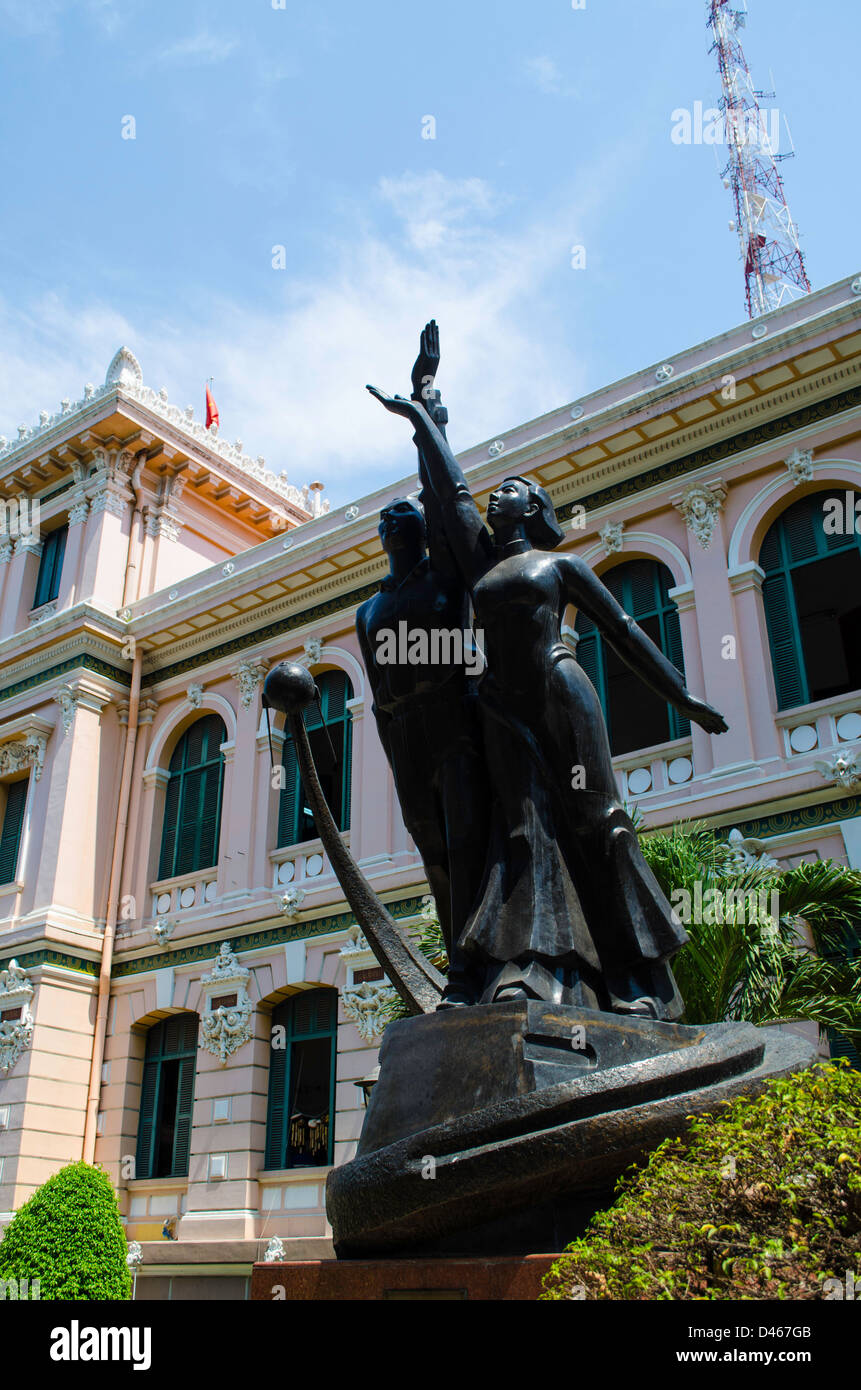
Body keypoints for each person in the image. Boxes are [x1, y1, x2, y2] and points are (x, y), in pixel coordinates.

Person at [367, 336, 728, 1019]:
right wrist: (423, 416)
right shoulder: (481, 563)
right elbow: (449, 492)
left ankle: (638, 980)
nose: (496, 495)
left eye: (511, 490)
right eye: (497, 490)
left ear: (532, 510)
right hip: (502, 708)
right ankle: (541, 971)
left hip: (560, 696)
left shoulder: (557, 569)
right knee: (523, 832)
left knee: (600, 825)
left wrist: (681, 697)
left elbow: (623, 633)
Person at [356, 327, 490, 1006]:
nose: (395, 523)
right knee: (434, 852)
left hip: (455, 717)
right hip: (405, 733)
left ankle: (478, 967)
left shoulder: (447, 575)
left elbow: (445, 493)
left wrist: (423, 404)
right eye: (387, 521)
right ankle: (460, 968)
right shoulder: (368, 610)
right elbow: (378, 698)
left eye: (405, 518)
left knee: (469, 840)